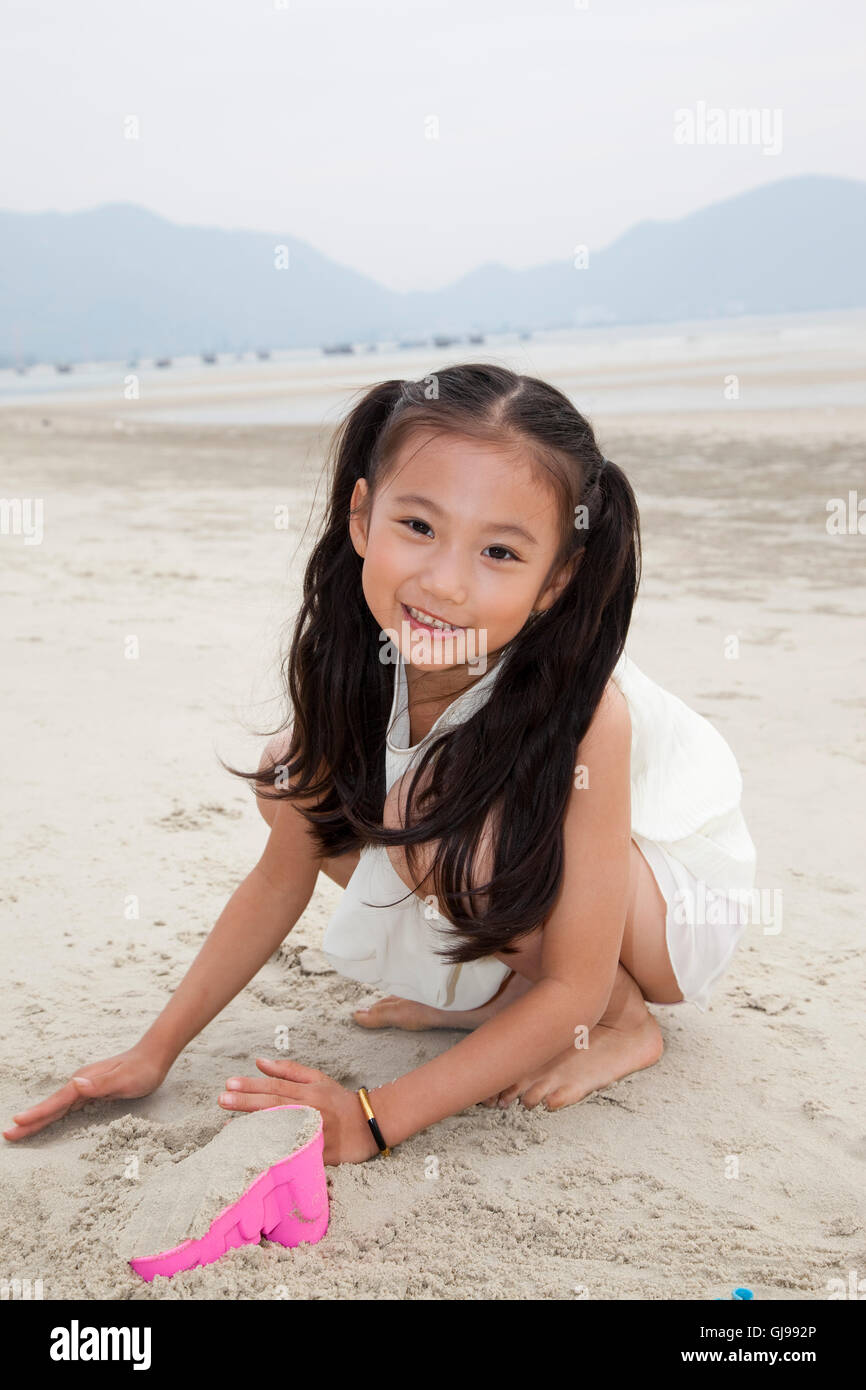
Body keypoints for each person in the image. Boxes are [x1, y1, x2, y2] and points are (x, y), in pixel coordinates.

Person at [3, 364, 756, 1164]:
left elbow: (568, 963)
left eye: (500, 551)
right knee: (292, 775)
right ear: (363, 518)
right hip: (536, 869)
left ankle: (619, 1020)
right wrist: (154, 1050)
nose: (444, 582)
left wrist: (370, 1118)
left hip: (669, 909)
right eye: (419, 528)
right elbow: (279, 875)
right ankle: (506, 995)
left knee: (422, 813)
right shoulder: (361, 649)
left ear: (554, 582)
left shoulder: (591, 712)